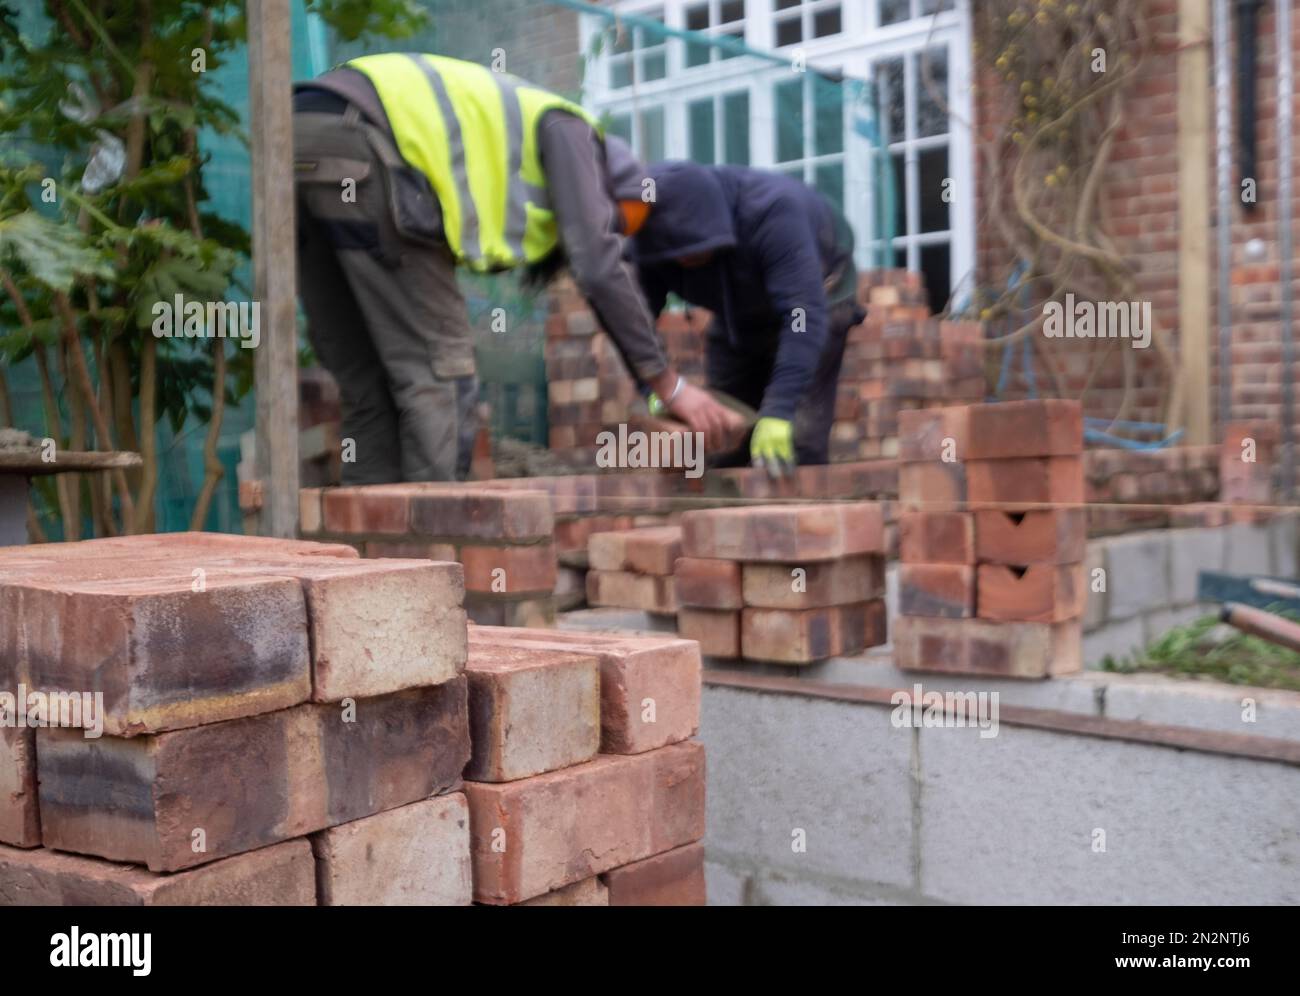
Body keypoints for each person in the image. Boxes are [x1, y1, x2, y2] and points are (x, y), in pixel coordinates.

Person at [291, 53, 740, 483]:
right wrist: (671, 385)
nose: (610, 233)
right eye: (613, 221)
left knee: (368, 384)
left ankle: (368, 548)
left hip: (295, 137)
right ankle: (423, 550)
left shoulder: (520, 128)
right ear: (606, 186)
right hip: (367, 141)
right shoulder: (571, 129)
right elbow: (599, 266)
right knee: (439, 381)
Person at [610, 143, 864, 476]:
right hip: (739, 314)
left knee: (794, 443)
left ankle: (803, 512)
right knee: (720, 441)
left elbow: (803, 316)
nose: (685, 264)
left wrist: (779, 410)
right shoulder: (655, 247)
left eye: (695, 255)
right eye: (677, 259)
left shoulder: (773, 214)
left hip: (817, 301)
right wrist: (657, 391)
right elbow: (634, 329)